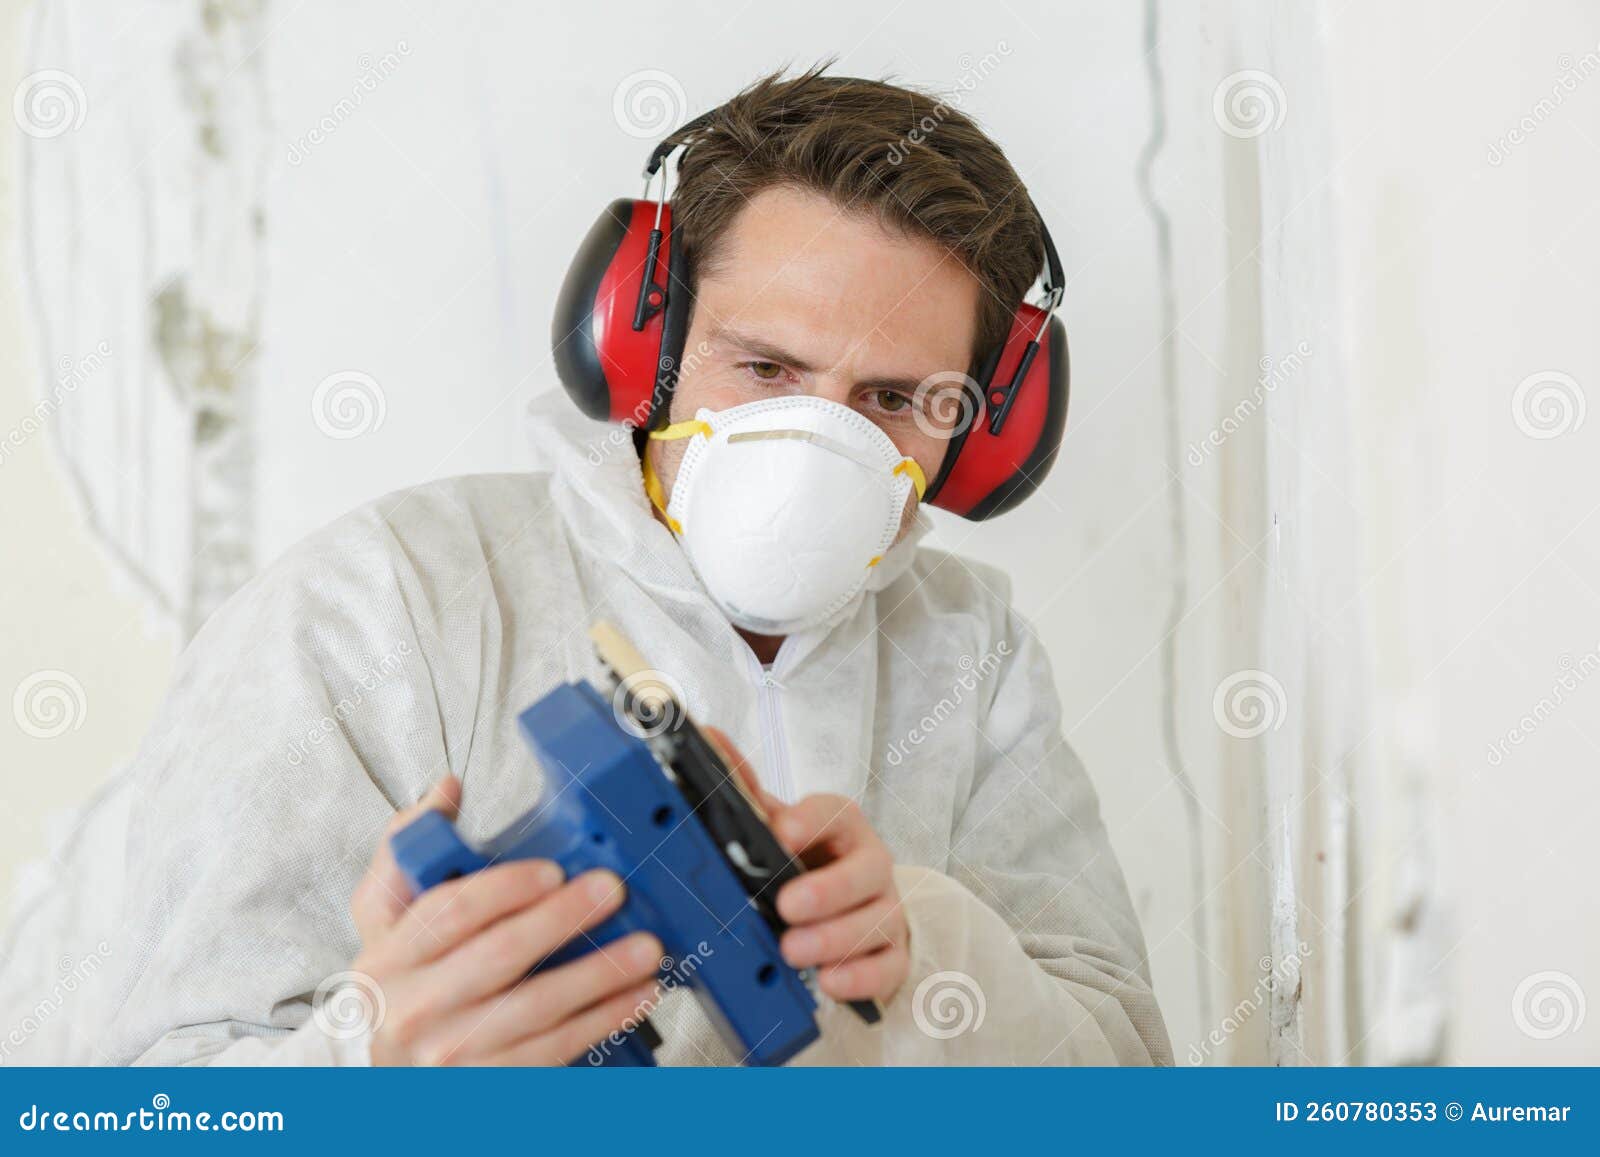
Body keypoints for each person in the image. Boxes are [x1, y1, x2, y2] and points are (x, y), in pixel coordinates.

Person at [91, 67, 1171, 1066]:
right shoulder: (385, 602)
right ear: (639, 343)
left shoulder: (972, 654)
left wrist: (929, 947)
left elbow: (1131, 1084)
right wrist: (370, 1067)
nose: (817, 446)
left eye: (892, 399)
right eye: (765, 367)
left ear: (982, 441)